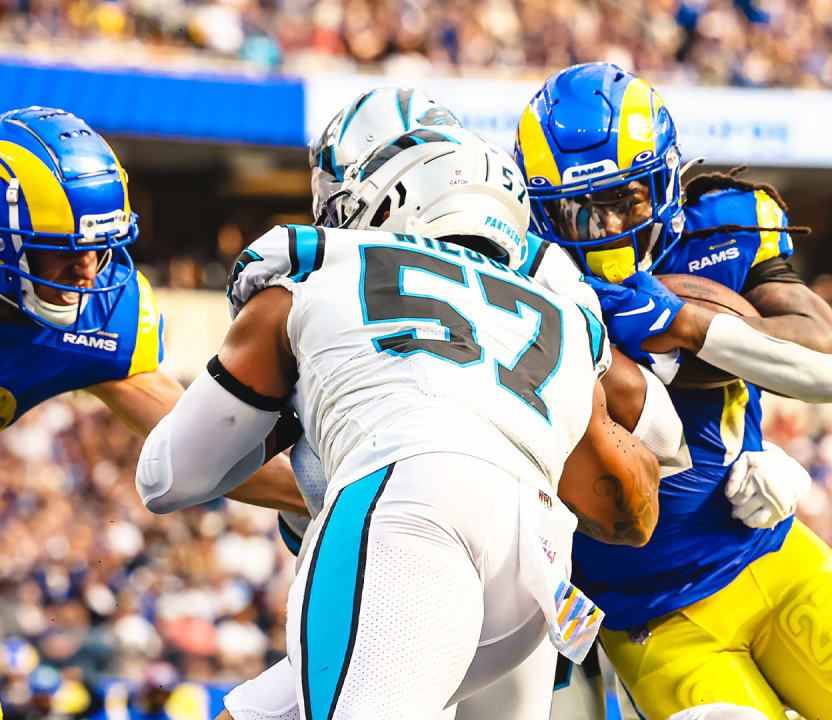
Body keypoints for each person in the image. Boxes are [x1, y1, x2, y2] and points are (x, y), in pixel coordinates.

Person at [135, 125, 665, 719]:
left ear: (392, 200)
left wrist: (291, 413)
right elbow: (629, 511)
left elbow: (166, 479)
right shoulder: (564, 315)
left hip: (410, 510)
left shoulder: (317, 271)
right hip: (536, 572)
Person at [515, 63, 832, 719]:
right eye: (576, 212)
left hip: (766, 554)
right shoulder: (518, 280)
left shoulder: (721, 229)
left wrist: (684, 322)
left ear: (663, 179)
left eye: (624, 199)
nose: (604, 229)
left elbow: (831, 370)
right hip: (647, 613)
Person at [0, 105, 303, 514]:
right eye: (60, 250)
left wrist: (330, 501)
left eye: (99, 249)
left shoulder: (102, 316)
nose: (88, 273)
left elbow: (202, 451)